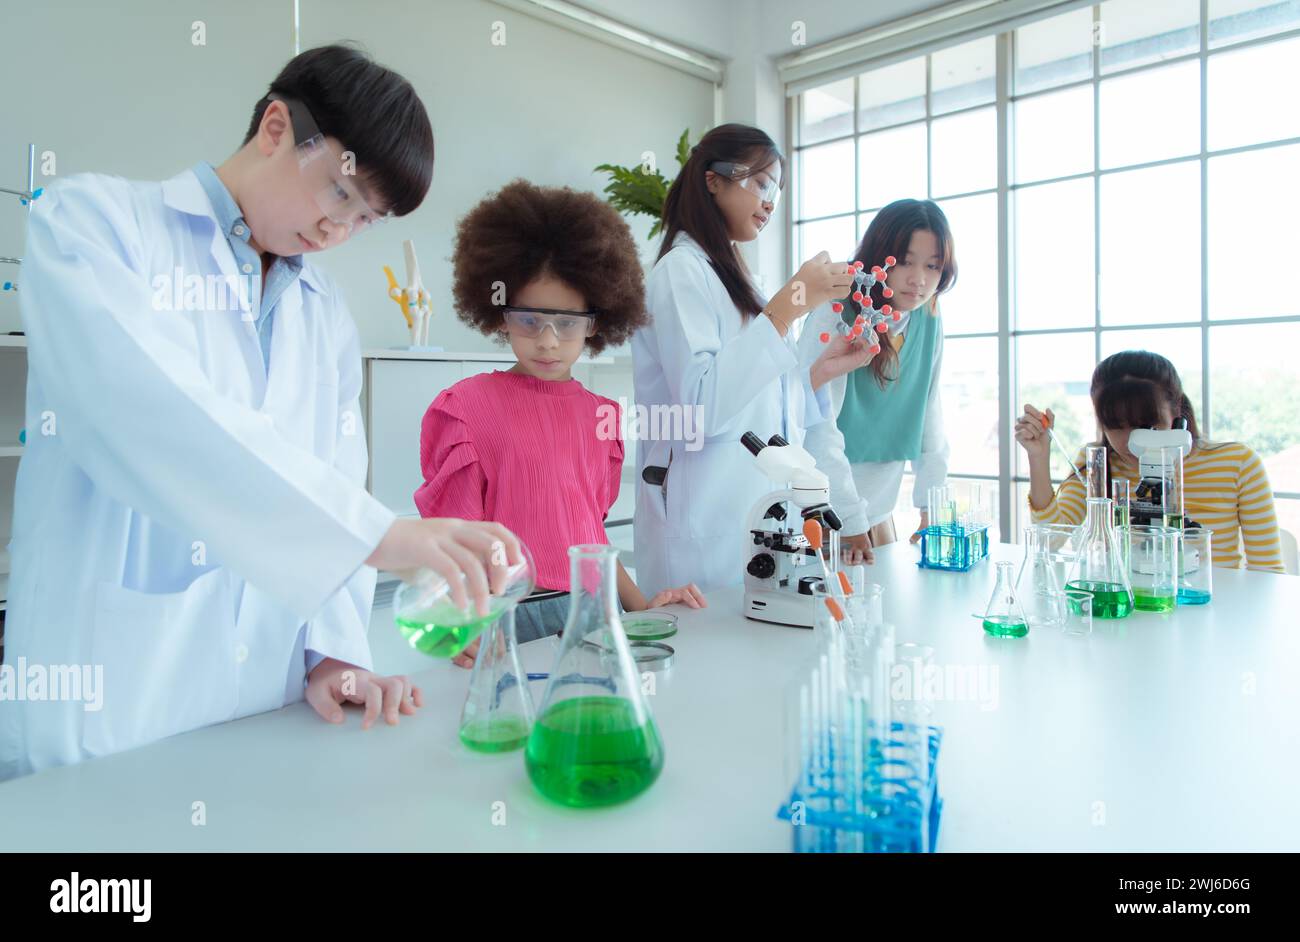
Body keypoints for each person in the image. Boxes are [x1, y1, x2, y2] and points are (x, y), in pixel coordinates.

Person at [0, 45, 520, 779]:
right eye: (341, 195)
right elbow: (147, 413)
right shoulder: (94, 225)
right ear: (277, 126)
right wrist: (382, 535)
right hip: (109, 710)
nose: (340, 232)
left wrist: (332, 655)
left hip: (264, 716)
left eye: (365, 220)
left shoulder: (324, 315)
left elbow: (332, 473)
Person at [415, 180, 706, 659]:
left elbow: (589, 537)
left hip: (597, 613)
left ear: (596, 322)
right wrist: (453, 625)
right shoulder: (465, 410)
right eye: (529, 320)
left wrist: (643, 609)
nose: (548, 341)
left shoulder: (601, 418)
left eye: (567, 323)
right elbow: (450, 547)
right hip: (507, 620)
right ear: (500, 314)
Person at [632, 124, 875, 596]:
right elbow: (701, 409)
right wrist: (792, 304)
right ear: (713, 179)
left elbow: (768, 414)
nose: (770, 203)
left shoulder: (736, 277)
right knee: (705, 659)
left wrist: (824, 369)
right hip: (699, 527)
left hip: (748, 517)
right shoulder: (680, 273)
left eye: (776, 192)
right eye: (761, 183)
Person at [1017, 350, 1284, 572]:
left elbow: (1269, 573)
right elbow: (1051, 540)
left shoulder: (1237, 464)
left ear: (1176, 411)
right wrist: (1038, 458)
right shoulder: (1098, 464)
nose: (1132, 440)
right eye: (1117, 427)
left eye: (1146, 425)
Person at [798, 199, 957, 564]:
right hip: (823, 514)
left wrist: (932, 504)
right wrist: (849, 519)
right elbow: (816, 426)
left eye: (933, 266)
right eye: (904, 261)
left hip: (877, 515)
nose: (919, 279)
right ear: (879, 257)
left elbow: (929, 412)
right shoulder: (838, 310)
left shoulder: (928, 316)